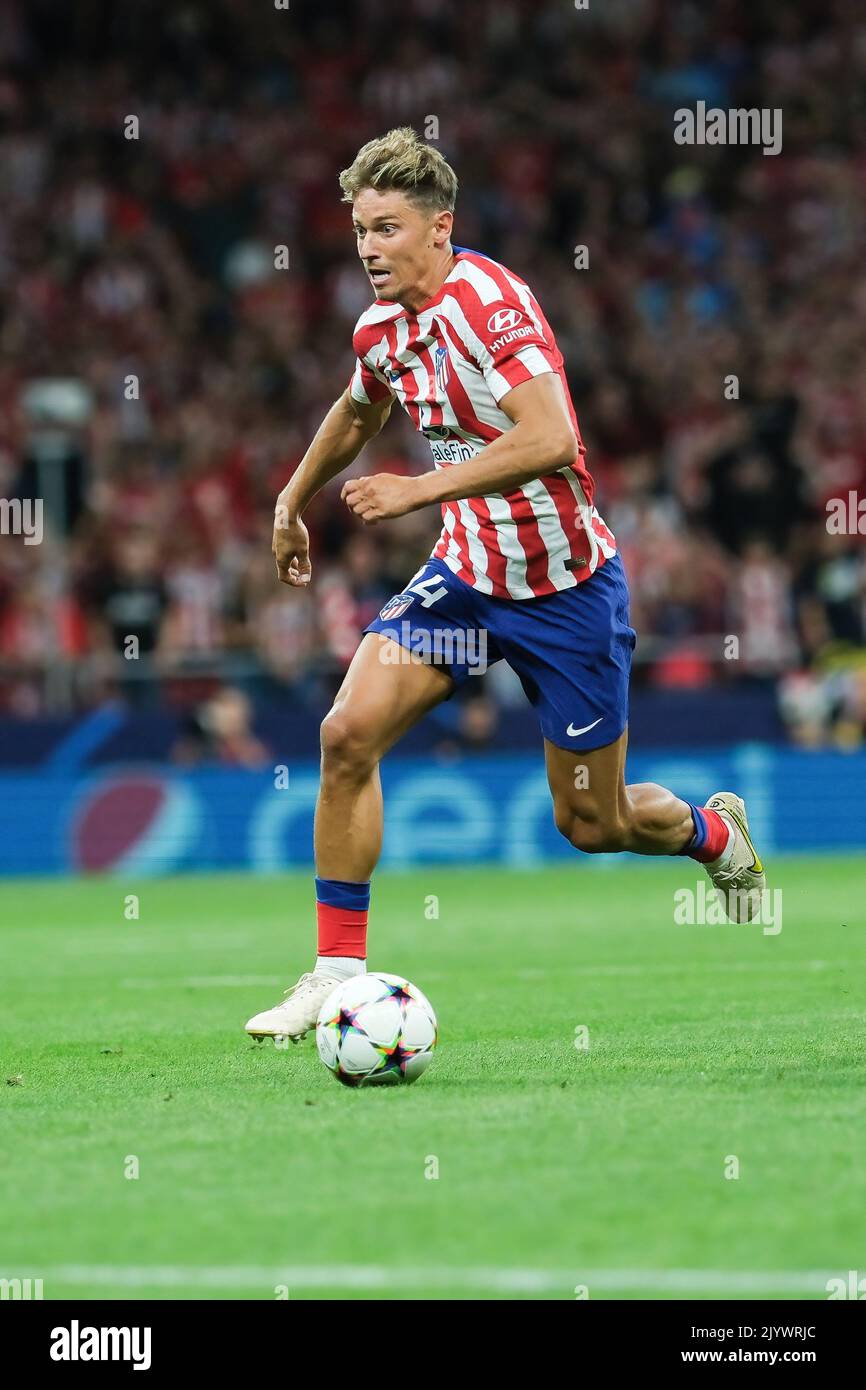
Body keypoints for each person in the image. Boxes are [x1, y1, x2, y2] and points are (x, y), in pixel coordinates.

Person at [245, 128, 765, 1043]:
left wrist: (420, 489)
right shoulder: (380, 326)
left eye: (388, 228)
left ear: (439, 228)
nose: (369, 248)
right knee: (347, 733)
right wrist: (293, 498)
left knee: (593, 823)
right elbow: (361, 403)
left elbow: (552, 436)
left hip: (567, 592)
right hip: (468, 586)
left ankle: (712, 835)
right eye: (361, 229)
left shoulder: (492, 303)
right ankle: (333, 978)